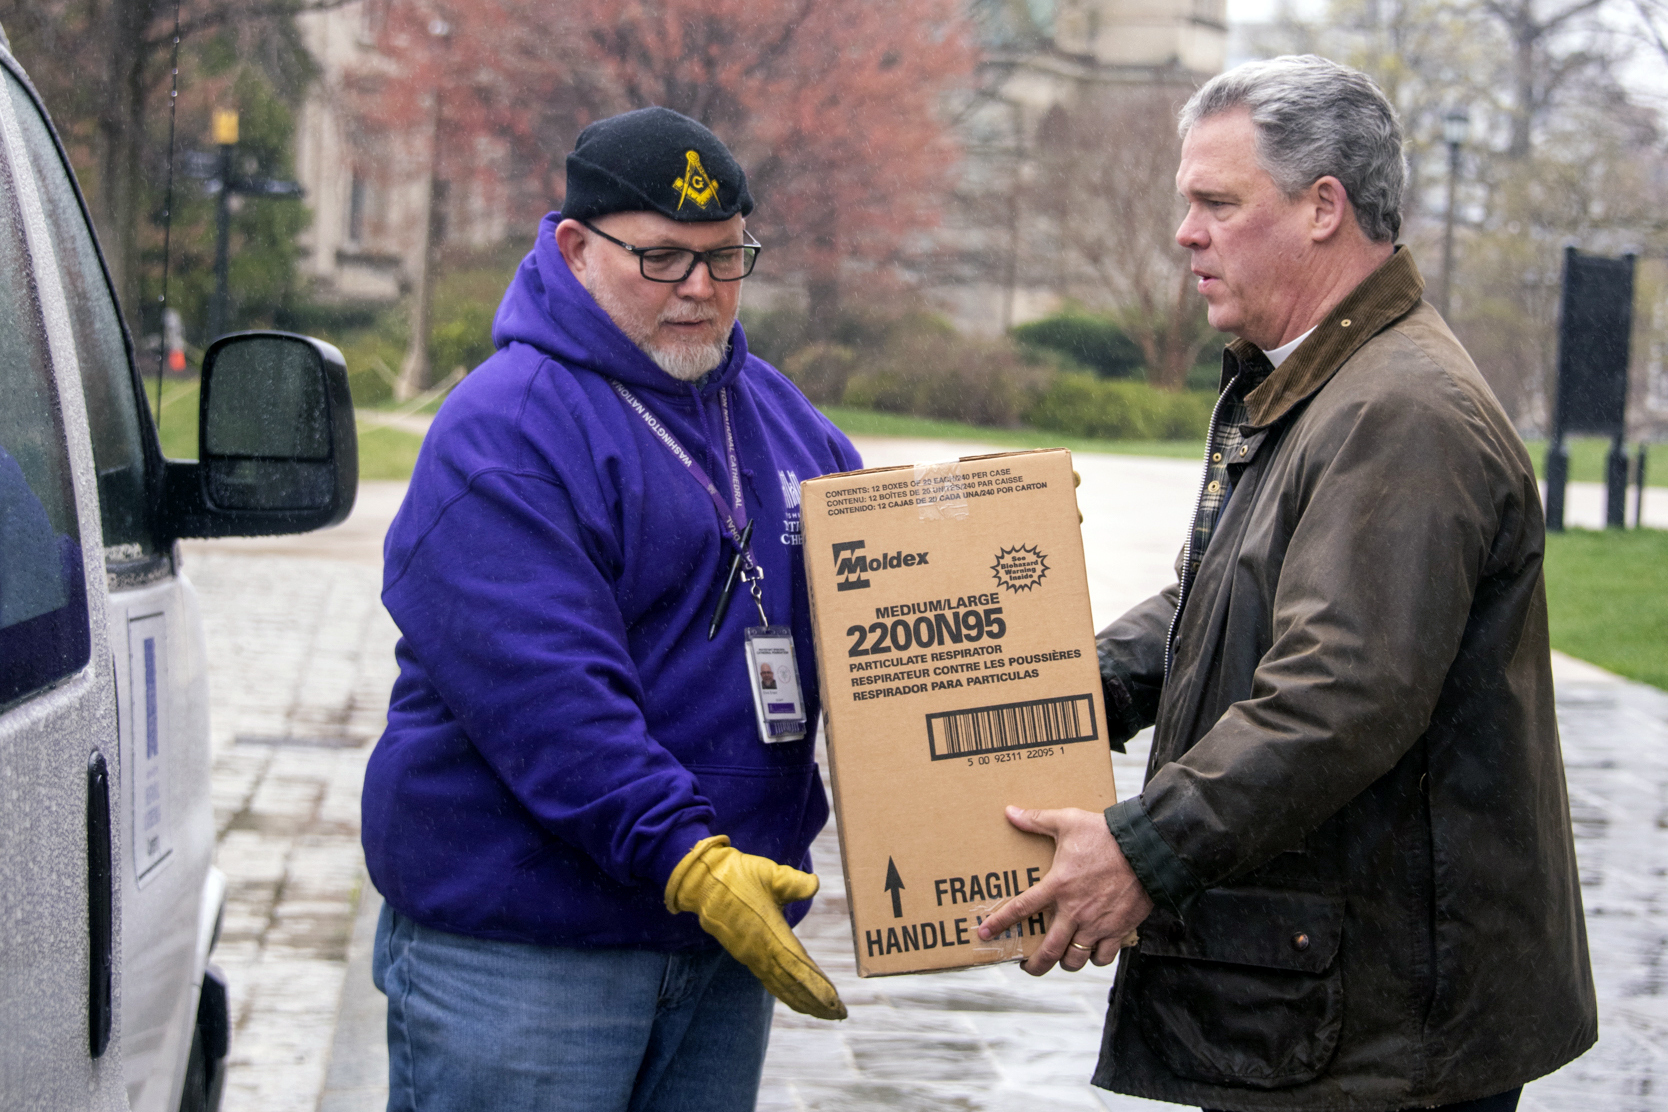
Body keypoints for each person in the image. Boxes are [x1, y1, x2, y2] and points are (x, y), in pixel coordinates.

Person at [979, 55, 1595, 1112]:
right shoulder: (1319, 380)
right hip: (1326, 1004)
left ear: (1324, 208)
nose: (1186, 233)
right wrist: (1068, 689)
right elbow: (1223, 598)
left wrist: (1143, 846)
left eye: (1217, 202)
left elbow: (1340, 689)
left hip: (1380, 1031)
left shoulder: (1401, 410)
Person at [361, 106, 860, 1112]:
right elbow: (552, 704)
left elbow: (878, 599)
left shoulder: (774, 412)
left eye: (727, 258)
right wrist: (690, 860)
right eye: (663, 258)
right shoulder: (507, 428)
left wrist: (981, 552)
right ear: (576, 248)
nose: (701, 290)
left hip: (721, 937)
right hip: (526, 950)